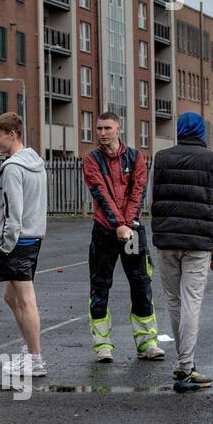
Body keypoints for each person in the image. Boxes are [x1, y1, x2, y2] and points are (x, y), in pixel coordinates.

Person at [150, 111, 213, 392]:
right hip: (199, 242)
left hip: (167, 241)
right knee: (191, 301)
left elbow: (150, 199)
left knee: (174, 301)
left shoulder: (160, 158)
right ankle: (186, 368)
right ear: (201, 133)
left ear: (179, 131)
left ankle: (184, 362)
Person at [82, 111, 165, 362]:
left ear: (119, 128)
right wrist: (117, 223)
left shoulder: (135, 157)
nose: (102, 133)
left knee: (140, 283)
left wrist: (127, 224)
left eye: (107, 128)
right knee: (100, 286)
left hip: (132, 231)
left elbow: (137, 192)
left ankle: (147, 342)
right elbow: (100, 193)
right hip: (104, 231)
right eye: (99, 129)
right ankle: (102, 344)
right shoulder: (91, 159)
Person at [0, 112, 48, 378]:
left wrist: (6, 244)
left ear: (12, 134)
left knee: (26, 300)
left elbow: (13, 212)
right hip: (33, 236)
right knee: (10, 296)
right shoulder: (35, 162)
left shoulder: (13, 168)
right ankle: (30, 352)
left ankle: (35, 359)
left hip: (19, 240)